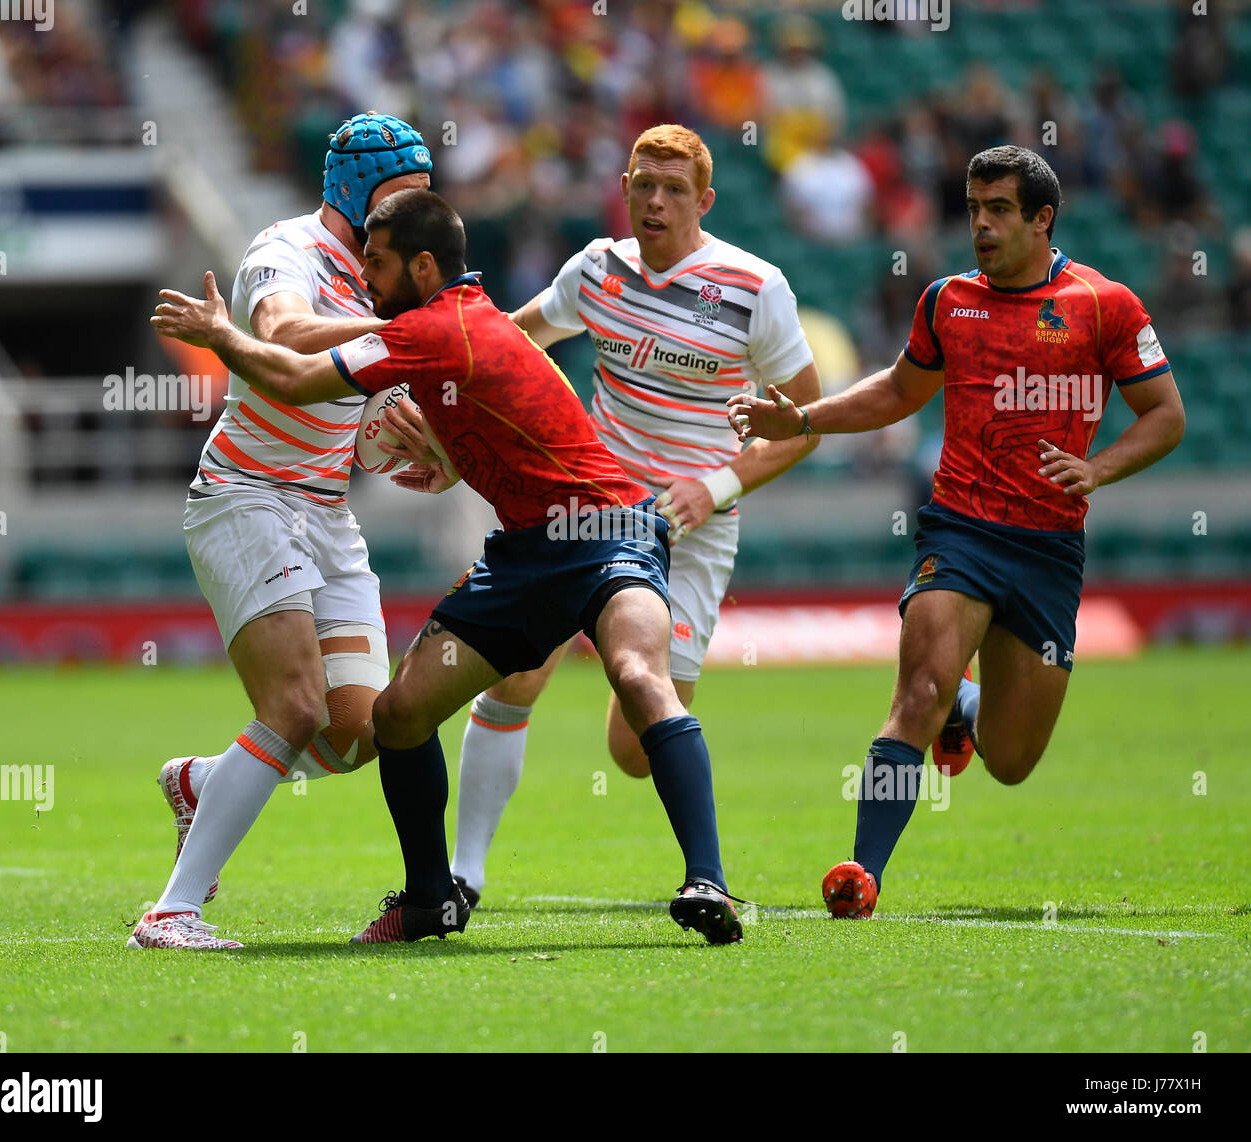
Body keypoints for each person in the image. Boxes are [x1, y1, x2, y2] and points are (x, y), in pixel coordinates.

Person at [150, 188, 747, 947]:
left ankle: (707, 881)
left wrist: (218, 334)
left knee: (635, 675)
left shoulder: (428, 331)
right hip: (527, 554)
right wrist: (452, 457)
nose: (364, 279)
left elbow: (294, 378)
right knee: (397, 715)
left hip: (610, 532)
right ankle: (431, 900)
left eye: (377, 262)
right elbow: (513, 429)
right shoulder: (472, 323)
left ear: (423, 266)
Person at [728, 145, 1185, 919]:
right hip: (961, 529)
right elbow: (900, 392)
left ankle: (967, 713)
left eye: (999, 209)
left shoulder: (1105, 306)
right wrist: (802, 418)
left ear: (1042, 219)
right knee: (918, 691)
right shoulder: (947, 301)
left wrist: (1098, 470)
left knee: (1010, 761)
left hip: (1047, 548)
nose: (981, 224)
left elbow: (1166, 416)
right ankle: (863, 874)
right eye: (973, 209)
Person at [446, 123, 820, 909]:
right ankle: (464, 875)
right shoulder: (597, 269)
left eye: (673, 188)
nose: (655, 200)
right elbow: (515, 342)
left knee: (634, 746)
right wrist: (443, 380)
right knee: (517, 671)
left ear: (703, 200)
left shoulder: (756, 287)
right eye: (643, 184)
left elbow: (806, 420)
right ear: (623, 189)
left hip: (693, 527)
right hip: (589, 508)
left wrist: (712, 487)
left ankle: (696, 846)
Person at [128, 114, 433, 951]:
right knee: (293, 706)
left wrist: (422, 443)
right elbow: (286, 337)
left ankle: (202, 782)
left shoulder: (395, 275)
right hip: (247, 494)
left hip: (328, 509)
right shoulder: (285, 250)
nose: (416, 203)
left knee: (358, 732)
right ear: (354, 188)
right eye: (402, 188)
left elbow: (384, 392)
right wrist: (398, 338)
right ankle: (172, 913)